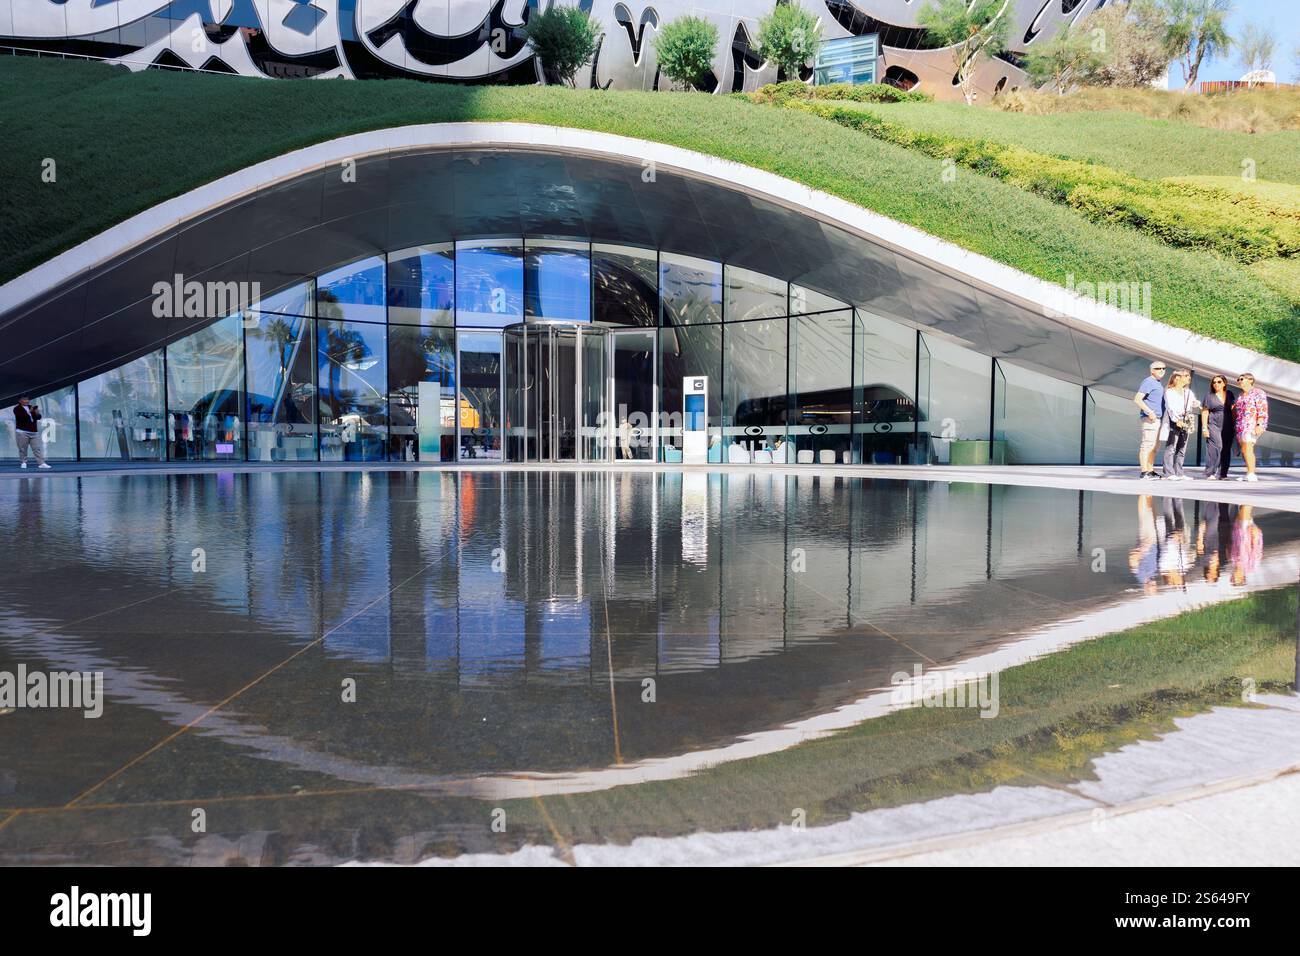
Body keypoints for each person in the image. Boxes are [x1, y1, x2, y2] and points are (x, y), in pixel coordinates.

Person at [1159, 369, 1198, 481]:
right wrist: (1177, 420)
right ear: (1177, 378)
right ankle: (1168, 473)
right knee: (1171, 447)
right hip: (1174, 421)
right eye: (1185, 376)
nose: (1188, 378)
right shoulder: (1169, 391)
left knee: (1182, 448)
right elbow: (1170, 407)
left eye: (1189, 376)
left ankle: (1179, 472)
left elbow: (1192, 403)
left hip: (1185, 421)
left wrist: (1196, 403)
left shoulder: (1188, 392)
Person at [1133, 360, 1167, 479]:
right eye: (1158, 368)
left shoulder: (1158, 383)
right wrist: (1149, 412)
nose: (1162, 370)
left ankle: (1150, 470)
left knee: (1155, 446)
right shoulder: (1148, 382)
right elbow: (1137, 399)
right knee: (1147, 445)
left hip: (1158, 419)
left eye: (1163, 368)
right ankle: (1144, 472)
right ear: (1152, 370)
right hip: (1150, 419)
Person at [1232, 373, 1269, 483]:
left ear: (1250, 380)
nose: (1239, 381)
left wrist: (1259, 424)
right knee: (1244, 450)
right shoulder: (1241, 395)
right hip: (1241, 425)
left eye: (1242, 379)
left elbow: (1262, 409)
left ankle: (1252, 474)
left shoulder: (1258, 392)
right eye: (1239, 379)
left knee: (1248, 448)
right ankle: (1248, 472)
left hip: (1252, 424)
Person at [1200, 375, 1235, 480]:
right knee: (1216, 447)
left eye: (1219, 382)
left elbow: (1233, 410)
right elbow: (1205, 412)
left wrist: (1235, 424)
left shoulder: (1229, 394)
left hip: (1228, 425)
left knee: (1226, 449)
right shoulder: (1209, 396)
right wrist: (1204, 428)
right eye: (1214, 382)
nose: (1216, 384)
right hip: (1213, 424)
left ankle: (1223, 474)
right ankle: (1211, 472)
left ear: (1224, 383)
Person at [11, 397, 51, 469]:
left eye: (27, 399)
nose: (26, 401)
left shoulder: (31, 407)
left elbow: (38, 417)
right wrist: (29, 411)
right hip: (22, 431)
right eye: (24, 399)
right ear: (20, 401)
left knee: (37, 448)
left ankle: (41, 463)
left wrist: (37, 412)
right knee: (23, 448)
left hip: (33, 431)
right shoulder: (17, 408)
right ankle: (23, 462)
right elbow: (21, 418)